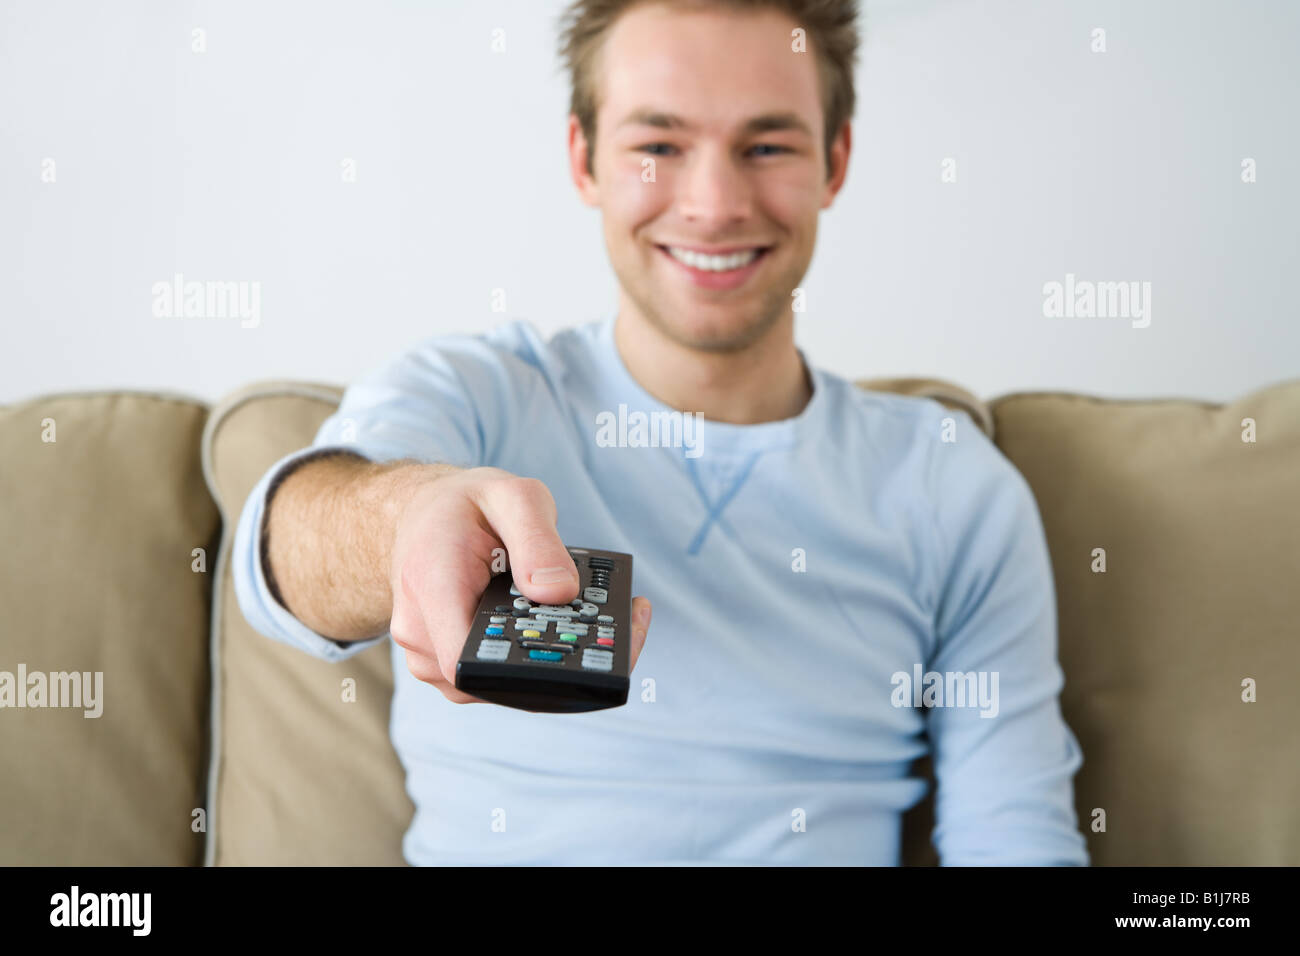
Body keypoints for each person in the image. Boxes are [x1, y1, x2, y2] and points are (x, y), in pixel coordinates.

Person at [232, 0, 1089, 865]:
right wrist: (404, 519)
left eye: (766, 146)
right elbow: (286, 550)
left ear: (835, 161)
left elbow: (1014, 835)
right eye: (658, 146)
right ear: (585, 160)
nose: (714, 206)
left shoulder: (952, 486)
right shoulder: (472, 395)